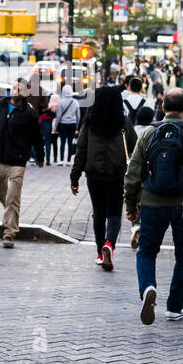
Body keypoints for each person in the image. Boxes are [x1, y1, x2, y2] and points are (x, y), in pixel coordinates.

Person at [124, 87, 183, 325]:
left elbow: (133, 172)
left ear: (163, 107)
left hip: (152, 201)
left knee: (146, 251)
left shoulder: (148, 133)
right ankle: (175, 308)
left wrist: (131, 203)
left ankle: (148, 288)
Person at [70, 85, 138, 271]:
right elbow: (135, 146)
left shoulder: (90, 121)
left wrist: (74, 177)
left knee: (98, 212)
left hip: (94, 174)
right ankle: (110, 243)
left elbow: (81, 150)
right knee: (114, 212)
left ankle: (100, 252)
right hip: (117, 174)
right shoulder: (123, 122)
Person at [0, 80, 43, 248]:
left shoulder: (29, 113)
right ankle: (11, 211)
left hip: (18, 161)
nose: (14, 90)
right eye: (13, 87)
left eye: (18, 89)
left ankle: (9, 233)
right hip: (0, 157)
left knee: (13, 197)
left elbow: (37, 137)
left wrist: (40, 156)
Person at [54, 85, 80, 164]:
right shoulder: (75, 102)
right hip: (72, 124)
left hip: (63, 124)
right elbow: (78, 115)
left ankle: (61, 160)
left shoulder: (61, 102)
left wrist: (55, 126)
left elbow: (58, 116)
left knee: (62, 142)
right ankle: (69, 161)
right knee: (70, 142)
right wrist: (77, 126)